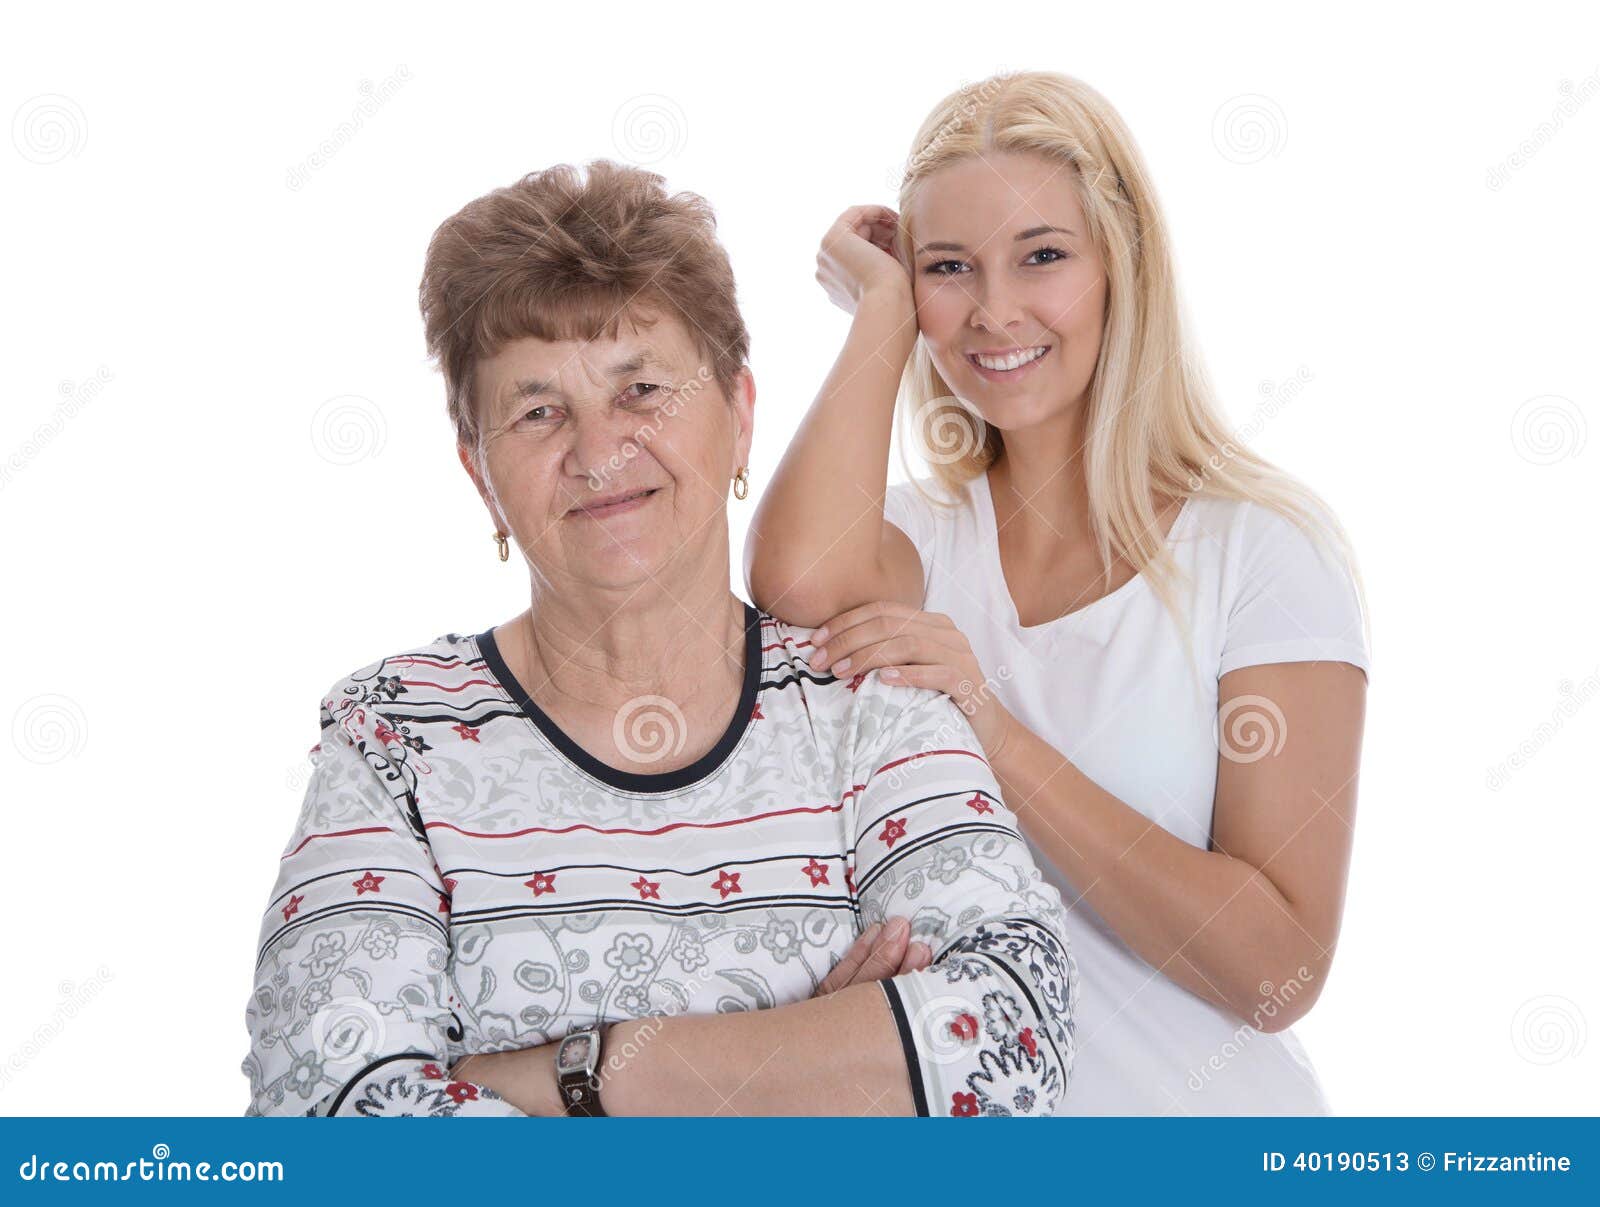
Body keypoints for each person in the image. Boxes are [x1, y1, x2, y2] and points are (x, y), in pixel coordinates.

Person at [242, 160, 1077, 1118]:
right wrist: (816, 1061)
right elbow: (327, 1117)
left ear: (740, 416)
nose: (598, 452)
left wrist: (572, 1074)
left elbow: (1013, 1043)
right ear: (480, 473)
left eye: (642, 389)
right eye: (538, 410)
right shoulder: (394, 737)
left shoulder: (870, 698)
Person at [746, 72, 1369, 1114]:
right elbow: (793, 578)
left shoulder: (1261, 549)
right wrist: (881, 317)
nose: (993, 312)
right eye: (950, 268)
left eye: (1042, 255)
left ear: (1121, 263)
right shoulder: (915, 540)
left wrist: (985, 719)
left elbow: (1280, 972)